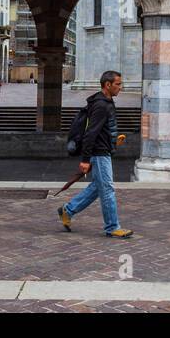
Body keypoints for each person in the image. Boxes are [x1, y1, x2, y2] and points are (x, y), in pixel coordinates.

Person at [57, 70, 133, 238]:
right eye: (118, 84)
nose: (121, 87)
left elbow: (101, 130)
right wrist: (85, 160)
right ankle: (112, 227)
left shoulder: (105, 101)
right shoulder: (101, 105)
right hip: (99, 153)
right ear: (108, 85)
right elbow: (90, 133)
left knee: (98, 187)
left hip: (103, 149)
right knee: (107, 189)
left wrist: (112, 140)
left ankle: (67, 210)